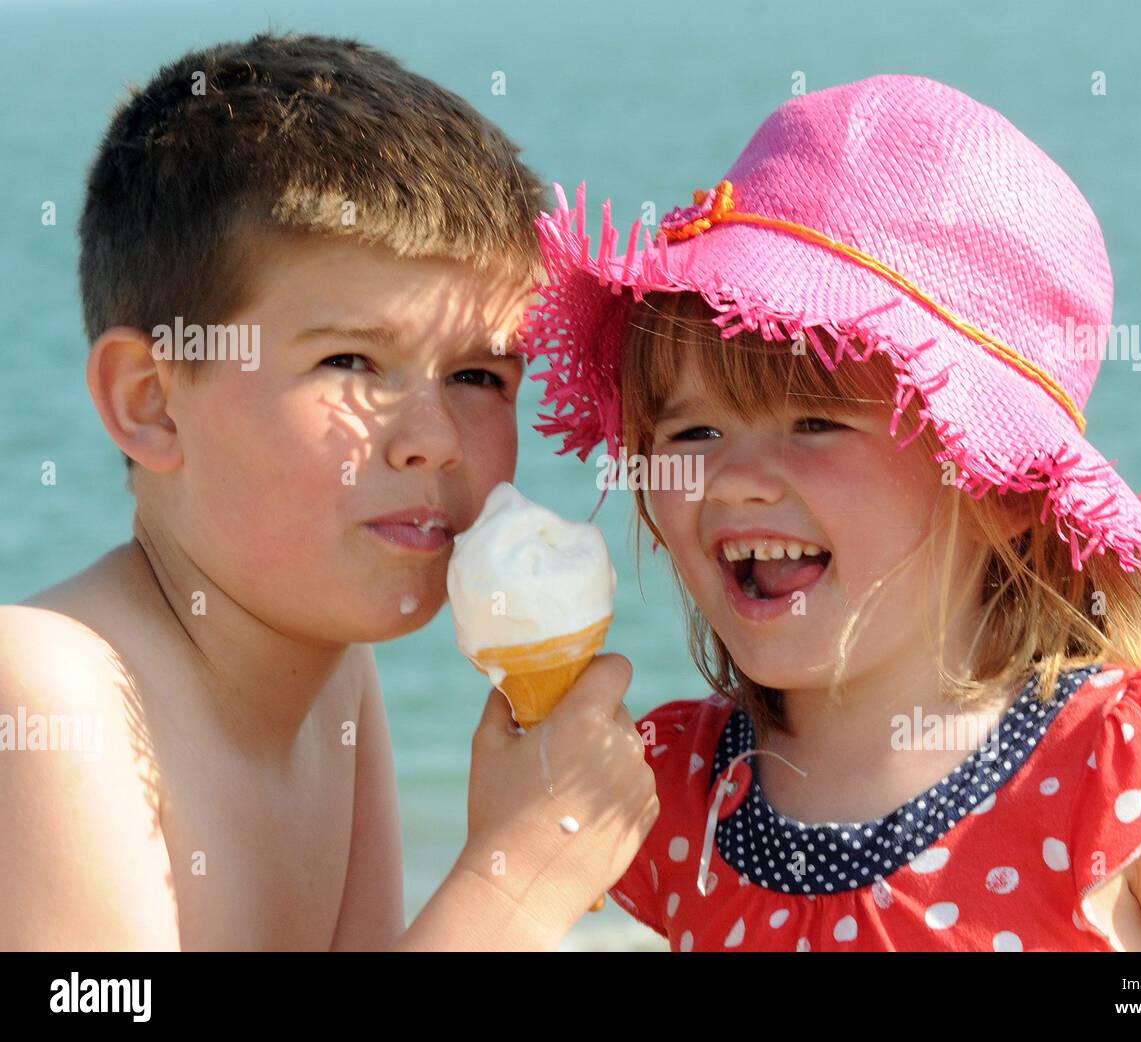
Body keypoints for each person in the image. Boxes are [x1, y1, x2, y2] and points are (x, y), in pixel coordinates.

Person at [520, 74, 1141, 950]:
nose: (735, 480)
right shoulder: (667, 790)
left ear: (1001, 487)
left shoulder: (1117, 760)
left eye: (815, 423)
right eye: (693, 431)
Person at [0, 32, 655, 951]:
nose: (431, 441)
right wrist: (520, 878)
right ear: (153, 404)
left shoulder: (338, 684)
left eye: (479, 377)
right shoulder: (44, 691)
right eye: (349, 360)